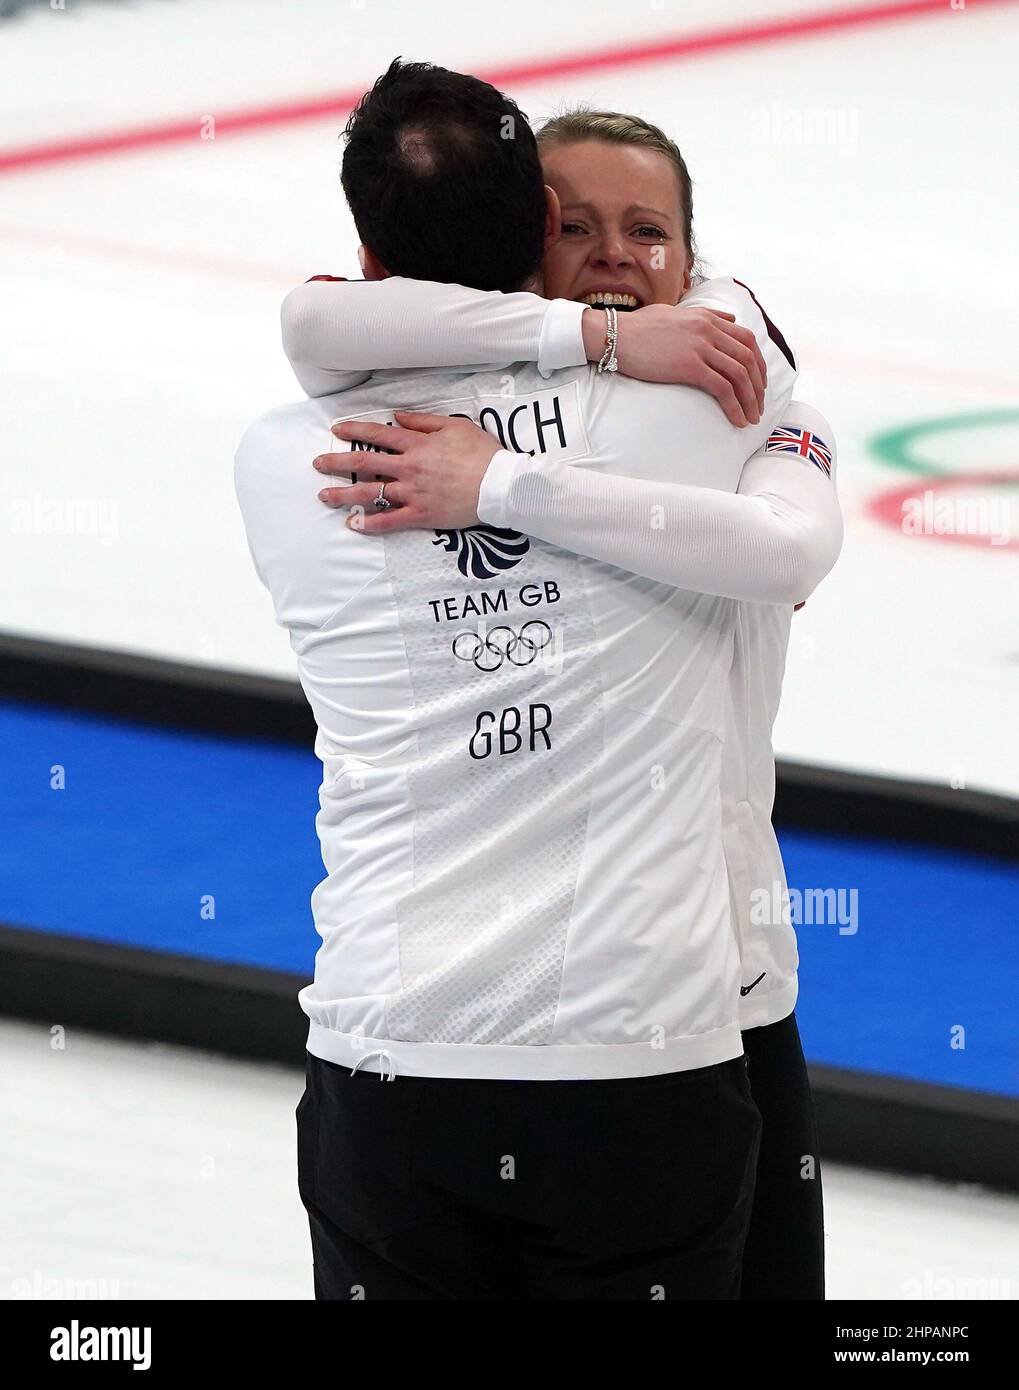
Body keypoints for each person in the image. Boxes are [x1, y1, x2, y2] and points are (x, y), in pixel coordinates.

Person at [234, 60, 839, 1300]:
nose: (616, 259)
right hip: (646, 1040)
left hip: (663, 998)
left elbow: (316, 322)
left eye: (651, 232)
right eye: (575, 229)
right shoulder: (688, 419)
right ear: (523, 244)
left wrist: (505, 471)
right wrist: (589, 360)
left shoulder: (291, 455)